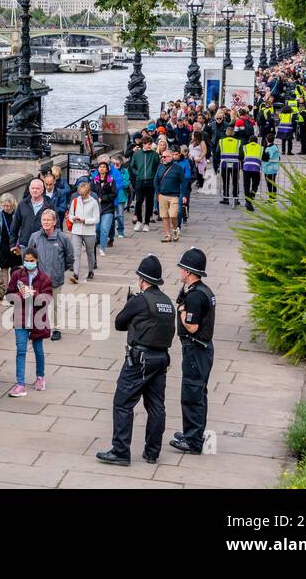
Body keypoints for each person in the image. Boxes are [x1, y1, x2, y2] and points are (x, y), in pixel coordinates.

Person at [96, 255, 177, 466]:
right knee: (156, 406)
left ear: (142, 279)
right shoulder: (167, 302)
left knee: (122, 403)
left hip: (140, 359)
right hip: (161, 359)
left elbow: (119, 323)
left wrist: (131, 306)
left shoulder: (139, 300)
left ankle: (121, 451)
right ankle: (152, 452)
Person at [172, 249, 216, 455]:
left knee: (192, 394)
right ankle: (193, 433)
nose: (180, 271)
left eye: (182, 268)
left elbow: (192, 327)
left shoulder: (196, 296)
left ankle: (193, 441)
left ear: (189, 271)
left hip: (196, 349)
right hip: (201, 350)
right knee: (198, 393)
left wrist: (182, 311)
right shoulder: (202, 290)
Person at [6, 246, 53, 396]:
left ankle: (40, 377)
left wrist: (34, 294)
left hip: (38, 320)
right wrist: (22, 295)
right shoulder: (17, 275)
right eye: (26, 260)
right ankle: (20, 384)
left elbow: (47, 299)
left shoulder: (44, 278)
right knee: (21, 350)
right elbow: (9, 295)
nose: (28, 263)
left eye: (31, 261)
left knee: (38, 350)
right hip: (21, 319)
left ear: (36, 260)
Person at [26, 206, 73, 341]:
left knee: (56, 305)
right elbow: (29, 255)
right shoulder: (35, 237)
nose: (45, 222)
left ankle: (57, 329)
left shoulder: (63, 238)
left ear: (54, 222)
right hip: (38, 278)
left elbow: (70, 257)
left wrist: (60, 269)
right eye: (43, 220)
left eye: (48, 220)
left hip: (55, 278)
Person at [66, 178, 99, 284]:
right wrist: (73, 218)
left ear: (89, 192)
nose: (82, 196)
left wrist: (85, 220)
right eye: (81, 194)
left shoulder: (94, 202)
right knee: (76, 253)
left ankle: (91, 270)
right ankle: (75, 274)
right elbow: (70, 215)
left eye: (84, 194)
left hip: (89, 231)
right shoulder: (75, 200)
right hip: (76, 230)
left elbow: (96, 219)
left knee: (90, 252)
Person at [153, 149, 184, 243]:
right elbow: (156, 180)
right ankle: (168, 235)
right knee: (164, 216)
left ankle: (175, 230)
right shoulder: (160, 167)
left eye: (165, 157)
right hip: (162, 195)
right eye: (162, 156)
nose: (163, 158)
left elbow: (183, 182)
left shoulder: (178, 168)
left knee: (173, 215)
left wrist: (184, 195)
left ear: (171, 157)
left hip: (174, 195)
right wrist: (158, 193)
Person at [129, 135, 157, 232]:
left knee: (149, 203)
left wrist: (153, 176)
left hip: (150, 182)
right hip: (139, 181)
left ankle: (147, 223)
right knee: (138, 202)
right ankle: (139, 221)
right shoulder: (137, 154)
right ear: (143, 144)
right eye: (147, 144)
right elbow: (132, 166)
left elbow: (157, 167)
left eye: (150, 144)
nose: (149, 146)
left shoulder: (154, 155)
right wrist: (138, 174)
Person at [90, 159, 117, 259]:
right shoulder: (94, 180)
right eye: (100, 167)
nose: (102, 168)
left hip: (108, 208)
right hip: (96, 208)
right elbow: (90, 192)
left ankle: (102, 248)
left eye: (104, 167)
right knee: (97, 228)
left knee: (104, 229)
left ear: (107, 169)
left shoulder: (111, 180)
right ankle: (95, 243)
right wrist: (95, 199)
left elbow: (114, 194)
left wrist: (103, 198)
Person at [218, 126, 243, 207]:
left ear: (226, 133)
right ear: (234, 133)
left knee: (225, 182)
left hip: (224, 164)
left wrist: (217, 163)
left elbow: (217, 153)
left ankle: (226, 198)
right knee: (235, 182)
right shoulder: (238, 142)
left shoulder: (221, 141)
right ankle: (235, 199)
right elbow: (241, 155)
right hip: (235, 165)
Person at [241, 130, 264, 212]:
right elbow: (265, 157)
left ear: (249, 141)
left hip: (246, 168)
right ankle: (250, 199)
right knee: (255, 185)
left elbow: (241, 156)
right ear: (257, 141)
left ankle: (247, 201)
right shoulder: (261, 148)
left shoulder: (245, 147)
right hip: (256, 169)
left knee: (246, 185)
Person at [262, 133, 281, 203]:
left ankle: (271, 198)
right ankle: (274, 197)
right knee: (273, 182)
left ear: (267, 140)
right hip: (275, 168)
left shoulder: (268, 148)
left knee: (269, 184)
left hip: (268, 169)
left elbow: (266, 158)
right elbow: (278, 157)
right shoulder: (275, 147)